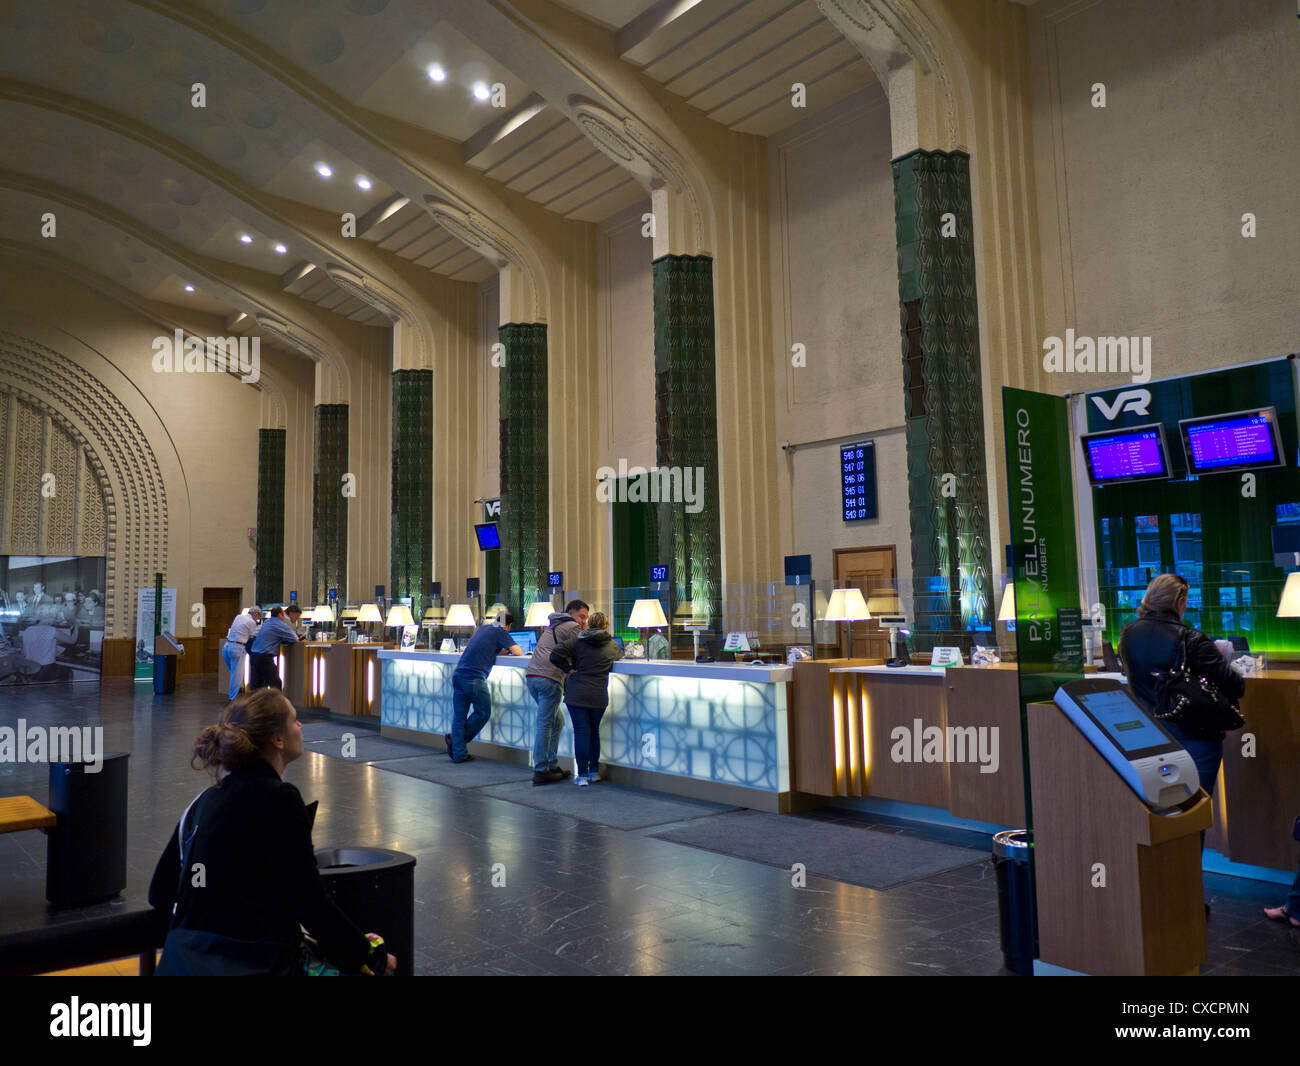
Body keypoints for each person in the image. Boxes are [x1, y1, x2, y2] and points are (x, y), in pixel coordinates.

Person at [148, 689, 396, 976]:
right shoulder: (280, 799)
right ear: (277, 739)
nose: (301, 726)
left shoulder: (203, 802)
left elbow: (160, 892)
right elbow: (311, 903)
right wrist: (365, 955)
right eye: (294, 720)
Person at [1119, 573, 1245, 913]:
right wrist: (1223, 655)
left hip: (1150, 737)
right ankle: (1186, 899)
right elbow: (1235, 686)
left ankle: (1158, 893)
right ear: (1179, 602)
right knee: (1190, 819)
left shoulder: (1129, 634)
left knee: (1161, 816)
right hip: (1195, 739)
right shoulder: (1192, 639)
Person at [550, 610, 623, 787]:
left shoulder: (577, 641)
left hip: (577, 693)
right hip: (598, 694)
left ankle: (581, 775)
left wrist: (568, 669)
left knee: (582, 732)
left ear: (588, 623)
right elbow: (619, 656)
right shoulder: (612, 645)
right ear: (606, 625)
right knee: (594, 733)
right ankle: (594, 772)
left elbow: (555, 655)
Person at [525, 599, 588, 786]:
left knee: (557, 720)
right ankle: (541, 769)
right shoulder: (572, 627)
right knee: (545, 724)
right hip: (549, 679)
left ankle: (551, 764)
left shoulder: (553, 626)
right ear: (571, 613)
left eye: (586, 618)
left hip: (532, 678)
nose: (583, 621)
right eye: (581, 616)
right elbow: (586, 646)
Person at [447, 611, 521, 763]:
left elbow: (485, 647)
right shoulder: (500, 631)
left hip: (459, 674)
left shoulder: (483, 628)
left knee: (459, 716)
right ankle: (457, 743)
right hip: (474, 678)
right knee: (483, 713)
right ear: (508, 625)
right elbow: (518, 651)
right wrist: (508, 648)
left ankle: (459, 752)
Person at [248, 605, 302, 689]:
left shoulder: (267, 622)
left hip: (254, 654)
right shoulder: (279, 623)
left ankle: (256, 702)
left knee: (257, 685)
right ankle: (276, 702)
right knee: (276, 683)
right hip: (264, 657)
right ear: (280, 615)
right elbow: (294, 638)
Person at [222, 606, 262, 701]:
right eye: (258, 616)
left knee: (233, 673)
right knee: (237, 675)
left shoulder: (238, 616)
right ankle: (233, 698)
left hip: (227, 647)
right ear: (255, 614)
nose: (258, 618)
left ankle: (239, 691)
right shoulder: (251, 622)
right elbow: (256, 634)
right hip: (238, 648)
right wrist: (259, 625)